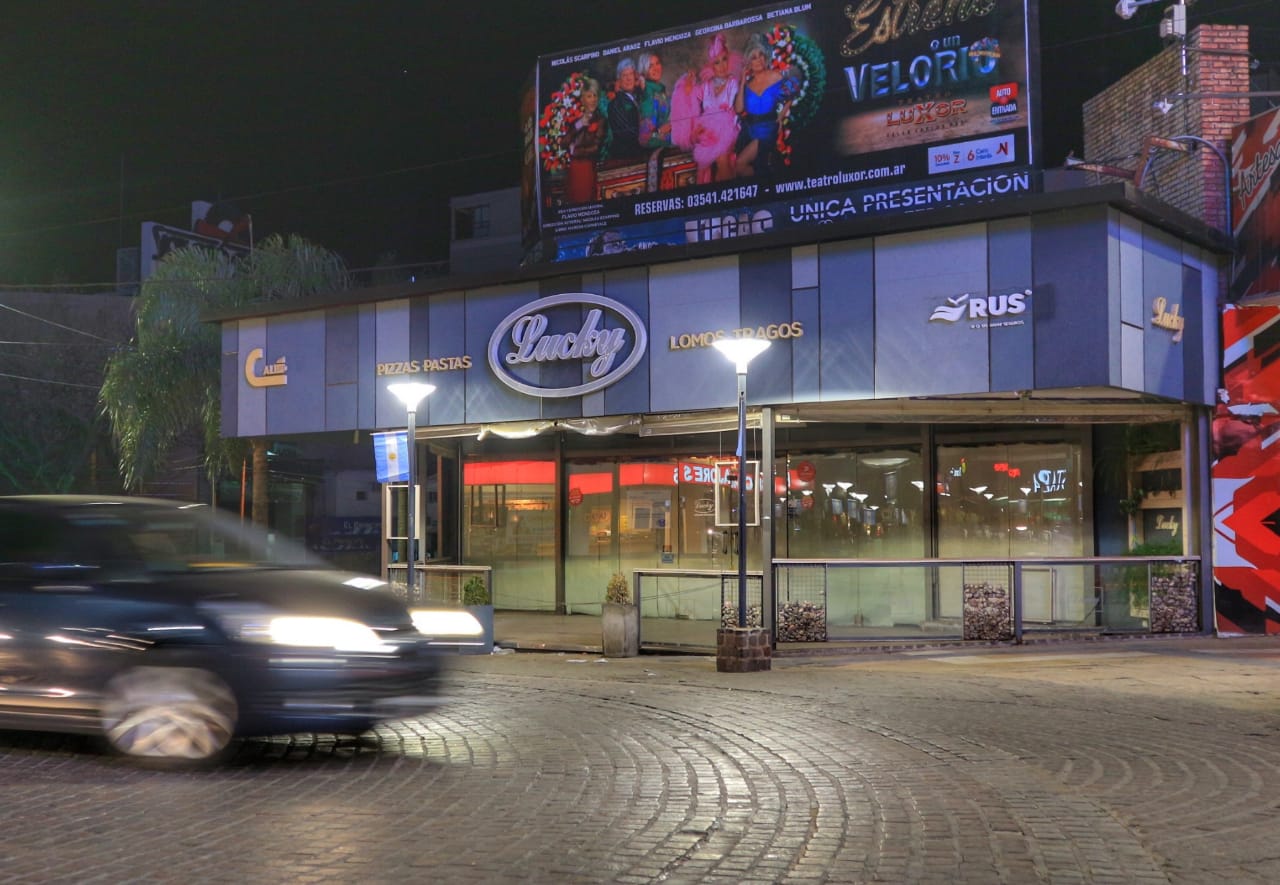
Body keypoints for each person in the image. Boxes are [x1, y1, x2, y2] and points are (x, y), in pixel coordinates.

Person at [674, 32, 740, 184]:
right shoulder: (706, 86)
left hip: (728, 128)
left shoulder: (732, 83)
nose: (722, 66)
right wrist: (688, 85)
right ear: (711, 65)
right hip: (708, 131)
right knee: (703, 163)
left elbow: (736, 110)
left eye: (724, 59)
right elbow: (690, 101)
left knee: (722, 158)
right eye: (717, 62)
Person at [734, 33, 791, 177]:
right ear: (749, 62)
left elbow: (791, 95)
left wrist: (781, 116)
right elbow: (739, 109)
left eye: (761, 55)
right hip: (749, 132)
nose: (759, 60)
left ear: (766, 56)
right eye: (754, 57)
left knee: (740, 164)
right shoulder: (747, 85)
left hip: (768, 130)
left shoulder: (776, 76)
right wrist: (742, 81)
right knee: (752, 167)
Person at [563, 77, 606, 203]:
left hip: (588, 167)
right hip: (573, 169)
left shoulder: (601, 120)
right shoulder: (576, 121)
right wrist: (580, 124)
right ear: (582, 100)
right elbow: (564, 142)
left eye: (595, 96)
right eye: (589, 96)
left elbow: (596, 147)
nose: (593, 100)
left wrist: (574, 151)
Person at [607, 58, 645, 161]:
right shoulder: (616, 104)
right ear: (619, 80)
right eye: (624, 75)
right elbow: (628, 134)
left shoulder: (639, 98)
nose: (628, 79)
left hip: (642, 154)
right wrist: (656, 133)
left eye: (631, 74)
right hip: (627, 158)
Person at [637, 52, 672, 150]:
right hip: (654, 148)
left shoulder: (660, 90)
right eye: (650, 66)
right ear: (643, 71)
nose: (656, 68)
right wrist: (662, 132)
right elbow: (644, 138)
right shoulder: (647, 93)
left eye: (657, 63)